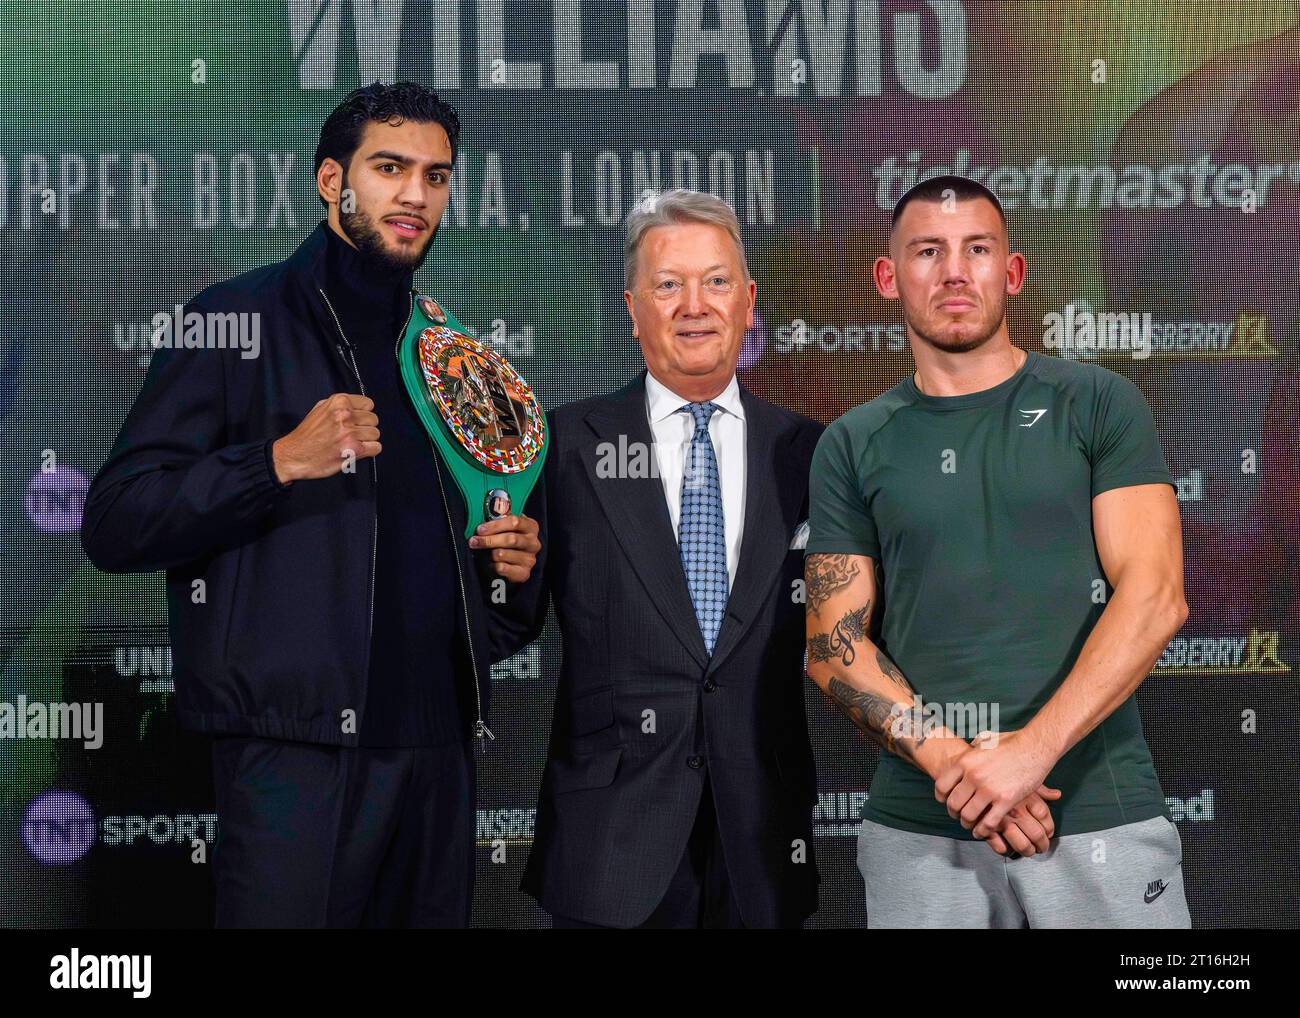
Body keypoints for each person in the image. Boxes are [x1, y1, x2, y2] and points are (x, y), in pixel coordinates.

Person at [79, 81, 540, 928]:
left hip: (439, 755)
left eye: (436, 176)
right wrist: (276, 462)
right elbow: (115, 521)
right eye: (390, 167)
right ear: (333, 180)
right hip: (296, 756)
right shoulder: (231, 320)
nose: (414, 195)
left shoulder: (457, 359)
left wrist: (514, 571)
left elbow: (496, 611)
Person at [804, 175, 1192, 928]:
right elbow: (831, 644)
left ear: (1011, 272)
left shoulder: (1100, 404)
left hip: (1100, 813)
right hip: (921, 830)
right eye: (928, 251)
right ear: (889, 278)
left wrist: (1027, 758)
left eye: (977, 249)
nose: (955, 271)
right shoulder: (852, 443)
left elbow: (1156, 597)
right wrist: (961, 768)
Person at [501, 189, 823, 928]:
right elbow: (505, 625)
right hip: (610, 851)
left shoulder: (811, 453)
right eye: (668, 285)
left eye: (715, 282)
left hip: (764, 849)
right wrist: (496, 572)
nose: (694, 305)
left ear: (747, 300)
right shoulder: (565, 445)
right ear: (631, 305)